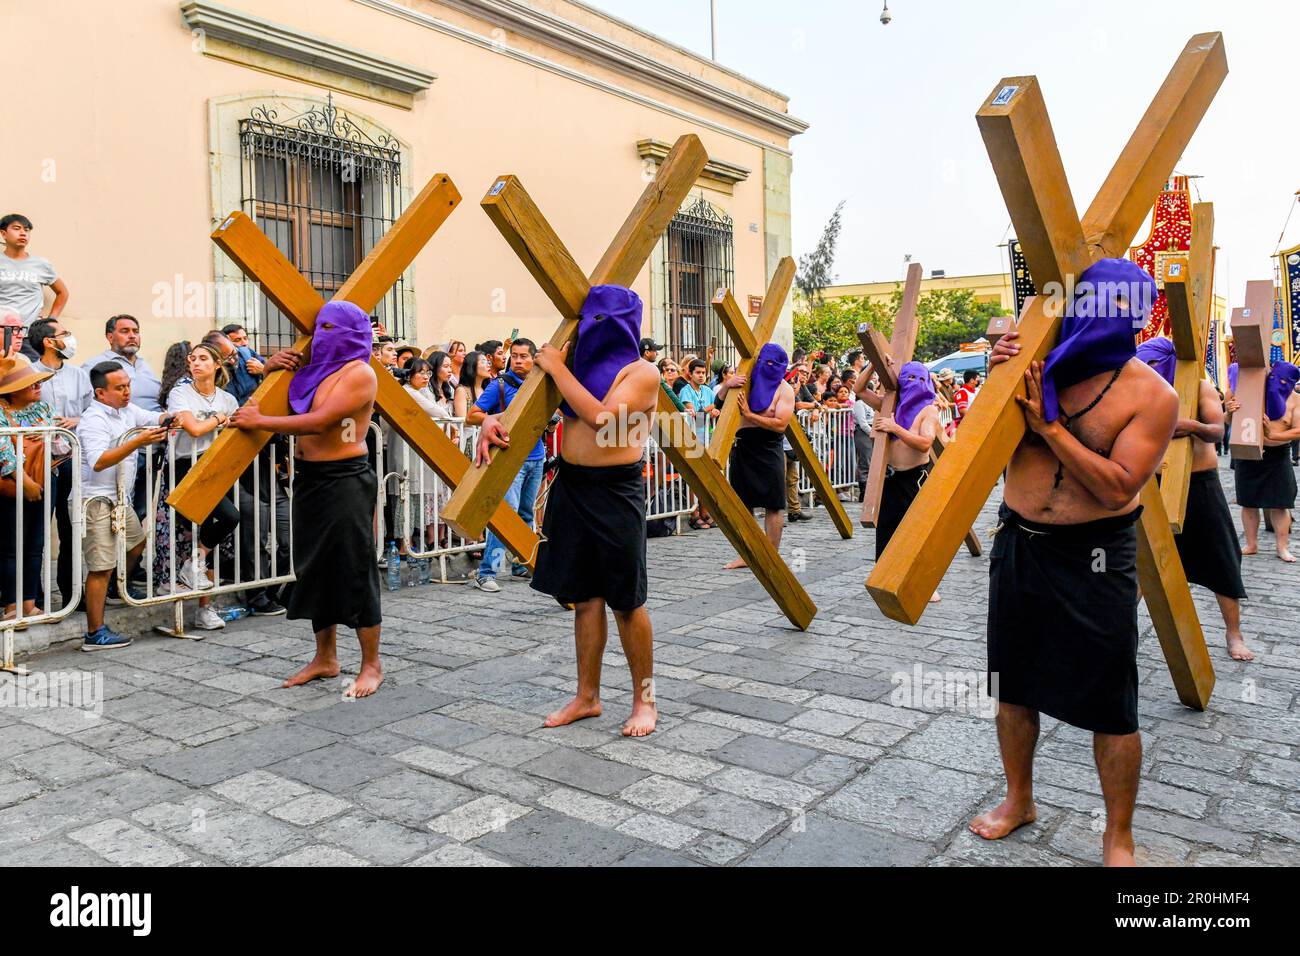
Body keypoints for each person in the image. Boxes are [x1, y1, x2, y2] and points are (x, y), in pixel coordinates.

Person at [970, 259, 1175, 867]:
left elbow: (1117, 487)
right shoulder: (1035, 361)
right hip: (1020, 543)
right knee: (1012, 684)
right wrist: (998, 369)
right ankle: (1019, 799)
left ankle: (1118, 836)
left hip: (1095, 554)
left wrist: (1054, 431)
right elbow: (985, 437)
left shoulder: (1151, 396)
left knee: (1111, 700)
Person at [475, 286, 661, 736]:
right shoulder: (574, 369)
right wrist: (488, 421)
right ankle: (587, 696)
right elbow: (521, 408)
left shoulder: (642, 373)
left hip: (617, 493)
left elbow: (601, 418)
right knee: (585, 599)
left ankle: (645, 699)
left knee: (627, 602)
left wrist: (557, 367)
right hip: (573, 487)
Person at [231, 300, 383, 697]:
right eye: (320, 328)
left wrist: (261, 422)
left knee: (354, 567)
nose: (320, 337)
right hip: (311, 479)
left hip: (346, 480)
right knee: (314, 567)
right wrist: (269, 369)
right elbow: (283, 398)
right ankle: (326, 658)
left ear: (350, 335)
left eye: (329, 330)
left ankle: (371, 666)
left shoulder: (359, 373)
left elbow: (321, 420)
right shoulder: (318, 370)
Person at [1137, 337, 1252, 661]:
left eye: (1152, 365)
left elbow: (1216, 430)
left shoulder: (1199, 386)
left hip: (1200, 483)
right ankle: (1122, 633)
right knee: (1140, 561)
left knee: (1222, 559)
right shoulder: (1143, 389)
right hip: (1155, 484)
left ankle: (1234, 633)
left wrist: (1190, 425)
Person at [79, 362, 173, 650]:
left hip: (121, 498)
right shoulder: (93, 419)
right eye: (119, 388)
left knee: (136, 543)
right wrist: (137, 441)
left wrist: (174, 417)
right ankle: (94, 633)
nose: (127, 392)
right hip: (96, 500)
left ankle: (116, 587)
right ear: (100, 392)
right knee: (100, 566)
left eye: (128, 385)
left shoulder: (128, 410)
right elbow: (99, 460)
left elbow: (154, 418)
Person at [160, 342, 241, 630]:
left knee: (219, 527)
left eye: (204, 359)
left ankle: (205, 607)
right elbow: (193, 428)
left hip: (215, 466)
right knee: (190, 532)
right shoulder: (181, 393)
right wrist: (219, 420)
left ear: (217, 364)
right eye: (192, 359)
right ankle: (185, 607)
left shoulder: (227, 398)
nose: (196, 363)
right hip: (186, 465)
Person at [466, 339, 545, 592]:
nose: (518, 360)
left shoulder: (538, 385)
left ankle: (521, 563)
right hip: (509, 457)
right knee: (505, 515)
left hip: (536, 456)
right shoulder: (500, 384)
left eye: (524, 356)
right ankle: (488, 571)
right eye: (515, 356)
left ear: (533, 359)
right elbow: (472, 415)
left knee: (525, 514)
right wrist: (500, 418)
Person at [30, 317, 92, 609]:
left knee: (71, 528)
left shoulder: (79, 375)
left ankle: (71, 595)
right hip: (41, 463)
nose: (70, 338)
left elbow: (92, 413)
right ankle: (35, 597)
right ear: (49, 342)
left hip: (71, 460)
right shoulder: (28, 373)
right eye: (64, 334)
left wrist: (76, 420)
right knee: (37, 531)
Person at [717, 344, 795, 570]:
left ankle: (771, 555)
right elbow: (718, 403)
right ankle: (748, 555)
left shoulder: (784, 390)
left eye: (774, 364)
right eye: (766, 362)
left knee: (773, 504)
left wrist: (751, 415)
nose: (768, 367)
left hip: (769, 448)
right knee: (743, 505)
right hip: (743, 447)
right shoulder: (746, 381)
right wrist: (726, 385)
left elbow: (780, 424)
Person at [858, 361, 941, 567]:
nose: (916, 383)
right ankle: (884, 574)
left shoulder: (928, 410)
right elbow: (859, 390)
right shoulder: (891, 404)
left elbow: (925, 443)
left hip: (915, 478)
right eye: (911, 378)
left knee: (915, 532)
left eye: (921, 379)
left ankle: (921, 582)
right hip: (892, 477)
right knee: (886, 527)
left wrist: (895, 428)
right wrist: (873, 366)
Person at [0, 356, 56, 619]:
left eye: (37, 382)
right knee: (10, 546)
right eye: (29, 383)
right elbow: (6, 454)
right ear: (12, 390)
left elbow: (55, 439)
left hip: (46, 479)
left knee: (35, 545)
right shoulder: (1, 412)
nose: (37, 386)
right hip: (12, 485)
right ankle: (11, 606)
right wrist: (26, 482)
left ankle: (29, 603)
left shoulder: (42, 409)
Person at [1234, 360, 1300, 562]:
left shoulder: (1296, 400)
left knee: (1281, 503)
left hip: (1278, 455)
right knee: (1248, 501)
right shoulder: (1253, 391)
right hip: (1249, 453)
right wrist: (1230, 412)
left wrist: (1272, 435)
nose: (1277, 383)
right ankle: (1251, 544)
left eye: (1283, 381)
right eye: (1274, 378)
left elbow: (1297, 430)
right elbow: (1228, 421)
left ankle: (1282, 547)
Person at [0, 214, 68, 356]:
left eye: (27, 230)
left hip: (29, 337)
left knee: (33, 376)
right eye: (17, 228)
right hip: (1, 335)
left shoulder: (41, 264)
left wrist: (51, 319)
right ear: (3, 234)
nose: (23, 233)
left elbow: (62, 293)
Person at [85, 315, 162, 412]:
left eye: (136, 331)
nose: (132, 336)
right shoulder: (94, 366)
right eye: (125, 331)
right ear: (110, 337)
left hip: (159, 423)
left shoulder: (145, 365)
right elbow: (86, 406)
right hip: (124, 425)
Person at [678, 359, 717, 445]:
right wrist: (711, 408)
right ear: (690, 374)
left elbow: (719, 406)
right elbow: (694, 418)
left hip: (708, 436)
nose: (701, 376)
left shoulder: (707, 390)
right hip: (692, 437)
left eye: (703, 373)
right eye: (698, 372)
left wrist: (716, 411)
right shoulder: (685, 391)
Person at [851, 377, 875, 502]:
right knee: (865, 461)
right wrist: (872, 433)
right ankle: (863, 489)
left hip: (871, 431)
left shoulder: (871, 404)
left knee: (871, 460)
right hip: (863, 432)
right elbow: (863, 422)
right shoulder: (859, 404)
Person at [453, 349, 491, 421]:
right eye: (483, 362)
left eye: (488, 362)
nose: (488, 365)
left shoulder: (487, 389)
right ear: (472, 366)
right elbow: (462, 421)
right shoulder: (462, 390)